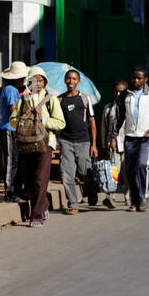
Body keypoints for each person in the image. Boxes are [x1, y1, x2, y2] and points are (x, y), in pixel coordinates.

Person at [9, 68, 65, 227]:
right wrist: (23, 116)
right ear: (29, 82)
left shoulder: (50, 99)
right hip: (26, 143)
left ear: (45, 82)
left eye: (41, 80)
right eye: (34, 80)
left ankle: (36, 216)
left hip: (46, 144)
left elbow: (61, 123)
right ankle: (44, 205)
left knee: (41, 178)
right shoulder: (23, 99)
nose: (38, 83)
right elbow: (12, 122)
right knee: (29, 181)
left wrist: (44, 120)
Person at [108, 67, 149, 212]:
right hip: (130, 137)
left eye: (139, 78)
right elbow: (118, 118)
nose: (136, 80)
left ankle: (143, 196)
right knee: (131, 169)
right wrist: (113, 137)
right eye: (134, 78)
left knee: (141, 165)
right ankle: (134, 201)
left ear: (146, 79)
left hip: (145, 136)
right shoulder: (125, 95)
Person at [55, 70, 97, 214]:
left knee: (85, 171)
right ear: (65, 80)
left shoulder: (84, 98)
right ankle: (73, 203)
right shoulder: (59, 100)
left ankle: (91, 190)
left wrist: (94, 144)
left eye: (74, 79)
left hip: (83, 141)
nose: (71, 81)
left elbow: (92, 121)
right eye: (68, 78)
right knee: (67, 174)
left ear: (78, 81)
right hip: (66, 141)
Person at [0, 62, 27, 203]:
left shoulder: (12, 90)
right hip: (9, 128)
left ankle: (16, 190)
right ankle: (9, 192)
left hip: (13, 129)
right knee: (10, 161)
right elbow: (14, 109)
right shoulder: (10, 90)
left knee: (15, 161)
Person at [99, 80, 130, 209]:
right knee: (113, 173)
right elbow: (104, 127)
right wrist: (104, 144)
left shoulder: (130, 107)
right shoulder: (109, 108)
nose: (118, 94)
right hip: (113, 145)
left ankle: (128, 196)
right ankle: (110, 197)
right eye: (116, 91)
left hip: (128, 145)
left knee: (127, 174)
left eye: (121, 91)